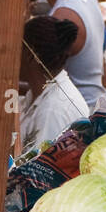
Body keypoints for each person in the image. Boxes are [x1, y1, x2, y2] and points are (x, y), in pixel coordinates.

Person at [29, 0, 106, 112]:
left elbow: (43, 85)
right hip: (96, 108)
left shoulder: (63, 15)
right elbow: (103, 68)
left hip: (77, 121)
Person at [18, 15, 89, 154]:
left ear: (30, 55)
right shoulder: (38, 95)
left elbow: (37, 170)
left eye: (17, 48)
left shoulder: (53, 109)